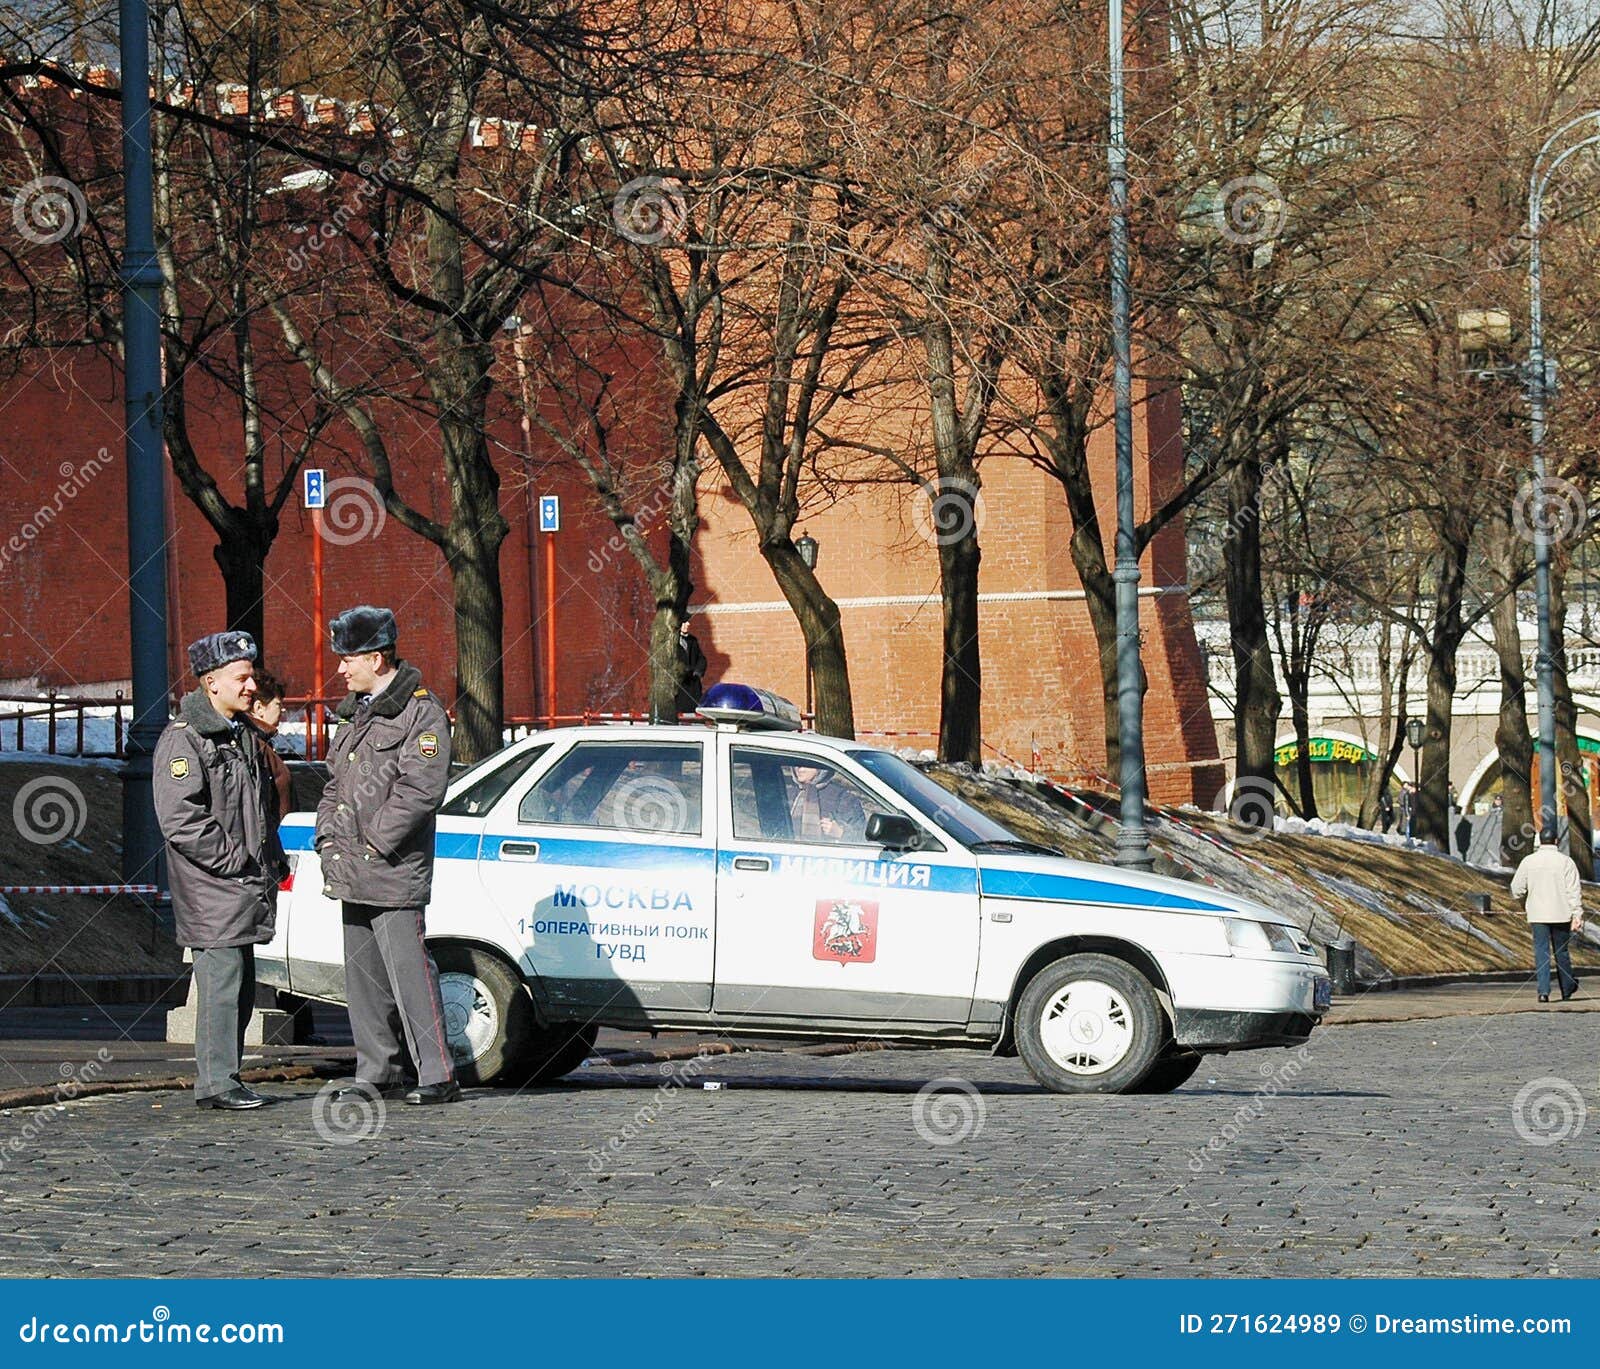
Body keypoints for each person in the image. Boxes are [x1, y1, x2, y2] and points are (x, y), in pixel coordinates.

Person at [314, 606, 460, 1105]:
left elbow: (421, 789)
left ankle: (436, 1074)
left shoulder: (421, 711)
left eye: (347, 658)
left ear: (376, 658)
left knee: (409, 973)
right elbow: (335, 783)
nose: (340, 669)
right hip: (351, 864)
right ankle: (377, 1073)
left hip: (393, 868)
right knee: (364, 980)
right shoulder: (357, 710)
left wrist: (375, 840)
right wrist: (328, 838)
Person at [153, 631, 284, 1111]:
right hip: (215, 886)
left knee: (239, 986)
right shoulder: (184, 739)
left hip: (240, 885)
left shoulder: (240, 734)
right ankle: (216, 1083)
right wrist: (237, 861)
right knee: (222, 987)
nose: (252, 686)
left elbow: (257, 809)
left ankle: (225, 1079)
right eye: (242, 677)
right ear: (212, 683)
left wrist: (266, 860)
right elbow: (180, 819)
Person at [245, 668, 320, 1046]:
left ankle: (300, 1024)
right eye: (278, 706)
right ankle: (296, 1025)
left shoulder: (265, 745)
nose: (283, 714)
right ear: (258, 705)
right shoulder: (255, 748)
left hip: (278, 850)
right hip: (270, 852)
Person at [1509, 831, 1583, 1003]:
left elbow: (1516, 888)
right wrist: (1577, 913)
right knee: (1561, 952)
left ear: (1540, 841)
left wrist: (1525, 900)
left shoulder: (1529, 861)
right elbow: (1573, 890)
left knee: (1541, 952)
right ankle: (1567, 989)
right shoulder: (1565, 861)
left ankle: (1543, 992)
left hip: (1537, 913)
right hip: (1561, 913)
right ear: (1556, 841)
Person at [789, 763, 866, 842]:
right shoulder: (786, 794)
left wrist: (840, 833)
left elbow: (863, 838)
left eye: (804, 763)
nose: (798, 768)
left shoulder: (843, 798)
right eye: (795, 764)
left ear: (820, 769)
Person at [675, 620, 707, 716]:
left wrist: (698, 671)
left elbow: (701, 658)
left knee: (694, 709)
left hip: (693, 684)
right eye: (684, 622)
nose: (688, 624)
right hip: (679, 684)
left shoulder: (692, 640)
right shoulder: (670, 642)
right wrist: (683, 670)